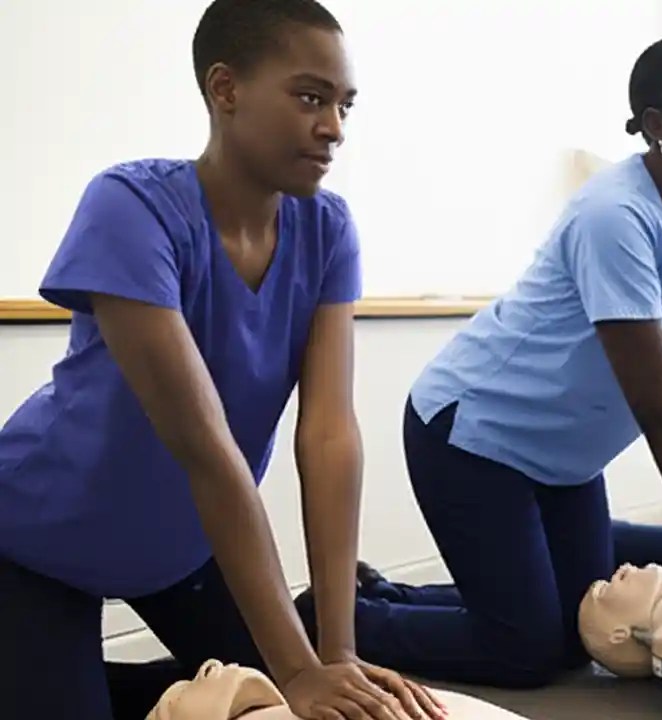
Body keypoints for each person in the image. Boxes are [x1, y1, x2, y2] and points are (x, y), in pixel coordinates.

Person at [314, 35, 662, 691]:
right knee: (526, 653)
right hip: (475, 433)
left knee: (581, 628)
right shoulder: (614, 216)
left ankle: (384, 596)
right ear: (657, 127)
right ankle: (329, 622)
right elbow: (660, 411)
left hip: (566, 459)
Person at [0, 2, 440, 719]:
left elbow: (329, 438)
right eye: (309, 97)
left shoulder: (328, 228)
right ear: (225, 89)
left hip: (178, 547)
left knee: (289, 699)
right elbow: (206, 448)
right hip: (35, 539)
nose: (333, 126)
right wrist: (298, 670)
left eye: (343, 104)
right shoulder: (130, 206)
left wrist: (336, 653)